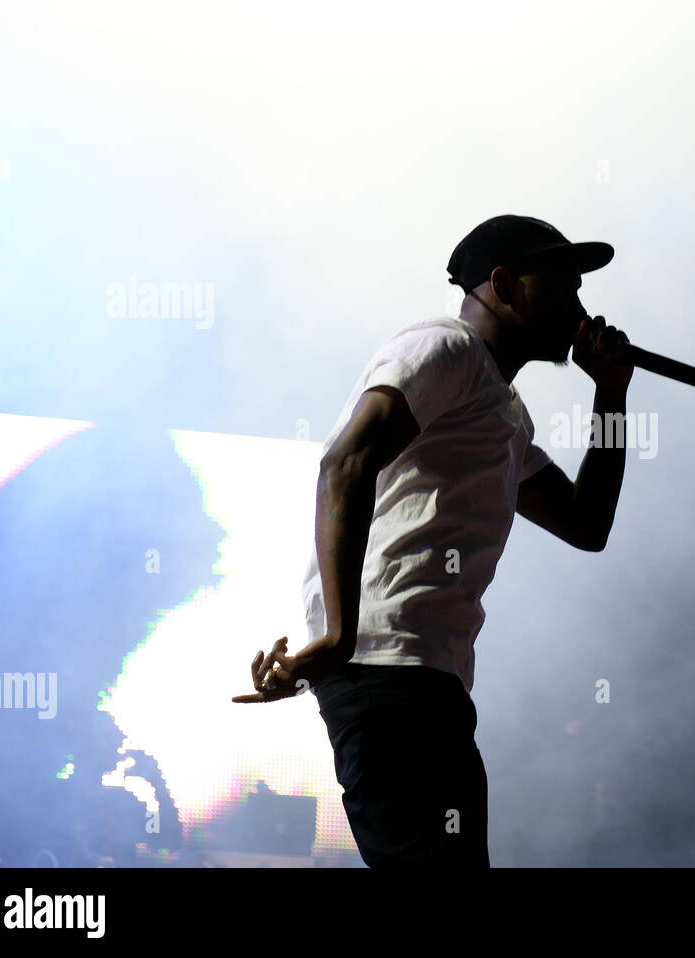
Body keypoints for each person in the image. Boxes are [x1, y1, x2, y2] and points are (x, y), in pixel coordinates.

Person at [232, 214, 634, 866]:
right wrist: (337, 637)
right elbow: (345, 462)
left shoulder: (504, 410)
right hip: (385, 671)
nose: (579, 309)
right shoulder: (444, 348)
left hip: (427, 683)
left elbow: (587, 525)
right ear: (504, 284)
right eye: (563, 288)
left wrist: (610, 397)